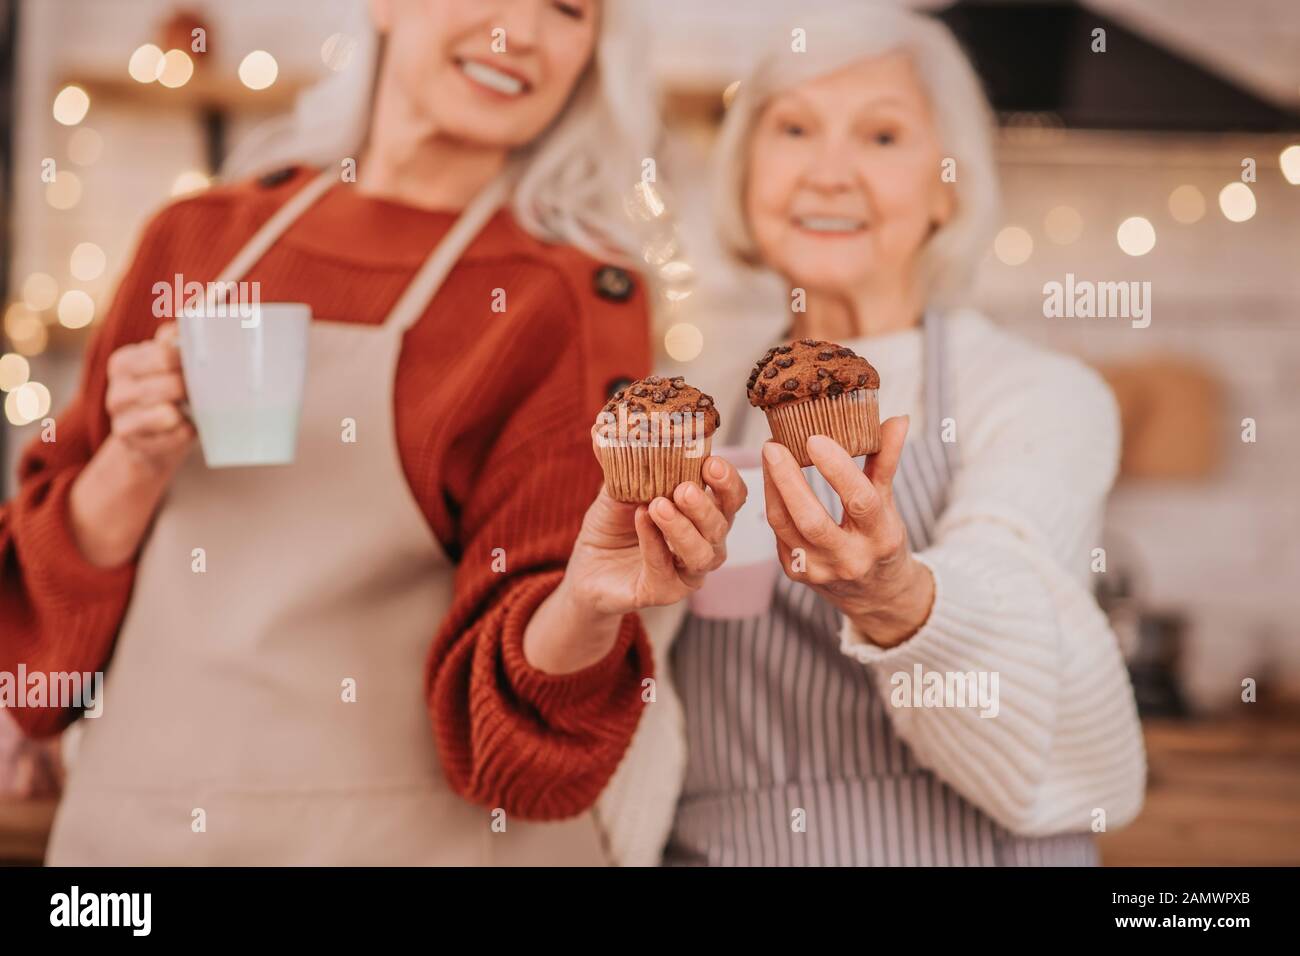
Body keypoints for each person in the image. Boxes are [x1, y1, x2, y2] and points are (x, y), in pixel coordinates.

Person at [0, 0, 743, 865]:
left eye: (569, 9)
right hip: (140, 844)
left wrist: (583, 605)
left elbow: (523, 753)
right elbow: (37, 671)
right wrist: (130, 462)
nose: (524, 34)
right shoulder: (196, 239)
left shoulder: (564, 297)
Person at [615, 4, 1147, 865]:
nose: (829, 173)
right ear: (748, 169)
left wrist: (895, 596)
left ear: (948, 185)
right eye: (793, 129)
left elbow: (1017, 592)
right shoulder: (706, 404)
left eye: (883, 137)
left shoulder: (1035, 395)